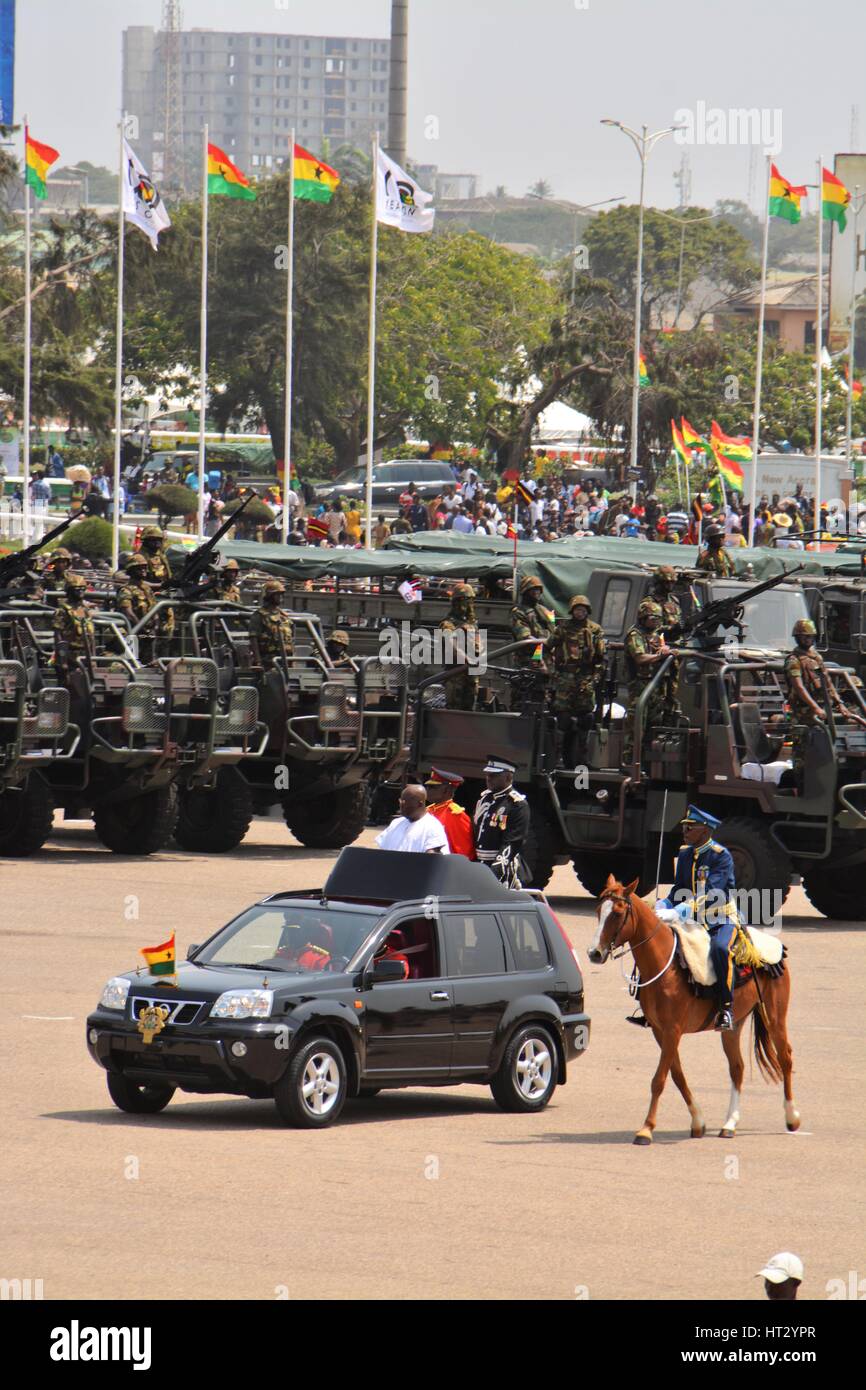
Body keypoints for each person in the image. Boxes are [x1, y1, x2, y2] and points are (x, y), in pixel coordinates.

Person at [657, 806, 738, 1030]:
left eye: (690, 827)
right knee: (660, 945)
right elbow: (679, 889)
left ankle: (726, 1008)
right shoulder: (685, 854)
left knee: (720, 950)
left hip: (719, 918)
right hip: (691, 918)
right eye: (684, 826)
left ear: (705, 831)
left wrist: (679, 911)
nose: (685, 830)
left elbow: (712, 894)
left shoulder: (721, 857)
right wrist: (663, 904)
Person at [783, 619, 866, 782]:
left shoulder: (816, 658)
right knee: (802, 755)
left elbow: (828, 684)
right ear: (798, 638)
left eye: (811, 637)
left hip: (822, 710)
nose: (809, 640)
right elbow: (799, 688)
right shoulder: (793, 660)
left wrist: (840, 704)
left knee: (829, 747)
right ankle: (800, 786)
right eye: (805, 637)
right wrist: (815, 708)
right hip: (802, 713)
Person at [547, 594, 606, 765]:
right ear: (572, 611)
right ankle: (556, 758)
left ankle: (582, 758)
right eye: (577, 610)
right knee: (563, 719)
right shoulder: (562, 628)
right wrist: (550, 670)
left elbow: (602, 658)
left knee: (586, 718)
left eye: (583, 610)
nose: (580, 613)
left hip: (585, 679)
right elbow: (543, 648)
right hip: (564, 678)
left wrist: (595, 678)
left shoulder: (595, 630)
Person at [622, 599, 673, 764]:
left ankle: (648, 764)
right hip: (640, 686)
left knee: (654, 726)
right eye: (653, 618)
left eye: (658, 618)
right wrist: (660, 656)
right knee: (637, 727)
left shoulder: (658, 635)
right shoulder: (635, 635)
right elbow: (640, 657)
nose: (656, 621)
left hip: (656, 686)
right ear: (643, 618)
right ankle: (630, 763)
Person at [473, 757, 530, 887]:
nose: (488, 778)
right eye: (487, 774)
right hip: (479, 865)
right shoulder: (484, 800)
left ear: (508, 777)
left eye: (493, 775)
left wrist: (496, 870)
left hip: (502, 868)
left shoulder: (517, 804)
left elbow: (513, 842)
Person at [439, 582, 481, 710]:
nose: (468, 605)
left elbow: (478, 646)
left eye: (470, 600)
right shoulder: (448, 623)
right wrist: (466, 658)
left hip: (472, 675)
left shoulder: (472, 624)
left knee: (469, 712)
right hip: (456, 675)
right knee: (454, 712)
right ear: (456, 602)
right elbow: (450, 643)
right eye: (465, 600)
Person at [375, 784, 450, 853]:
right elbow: (382, 852)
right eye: (401, 801)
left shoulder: (432, 826)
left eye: (405, 802)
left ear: (419, 803)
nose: (401, 805)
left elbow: (433, 858)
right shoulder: (396, 823)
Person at [424, 768, 476, 858]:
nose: (427, 789)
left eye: (433, 787)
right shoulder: (427, 811)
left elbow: (464, 852)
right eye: (427, 786)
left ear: (447, 789)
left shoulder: (456, 815)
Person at [53, 574, 95, 683]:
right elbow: (58, 636)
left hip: (85, 656)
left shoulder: (86, 611)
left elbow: (91, 637)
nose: (81, 592)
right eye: (77, 589)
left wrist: (93, 658)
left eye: (83, 589)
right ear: (70, 591)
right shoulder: (63, 611)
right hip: (69, 656)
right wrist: (62, 661)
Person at [511, 574, 556, 670]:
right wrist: (546, 642)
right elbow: (525, 637)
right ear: (526, 592)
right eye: (533, 590)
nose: (536, 592)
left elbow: (554, 630)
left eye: (538, 590)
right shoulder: (519, 612)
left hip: (547, 657)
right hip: (530, 658)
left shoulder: (544, 610)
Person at [249, 578, 294, 670]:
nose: (280, 597)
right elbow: (254, 639)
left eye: (281, 594)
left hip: (286, 660)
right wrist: (258, 661)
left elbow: (291, 639)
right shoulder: (259, 616)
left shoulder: (283, 616)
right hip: (268, 661)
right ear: (269, 596)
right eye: (277, 594)